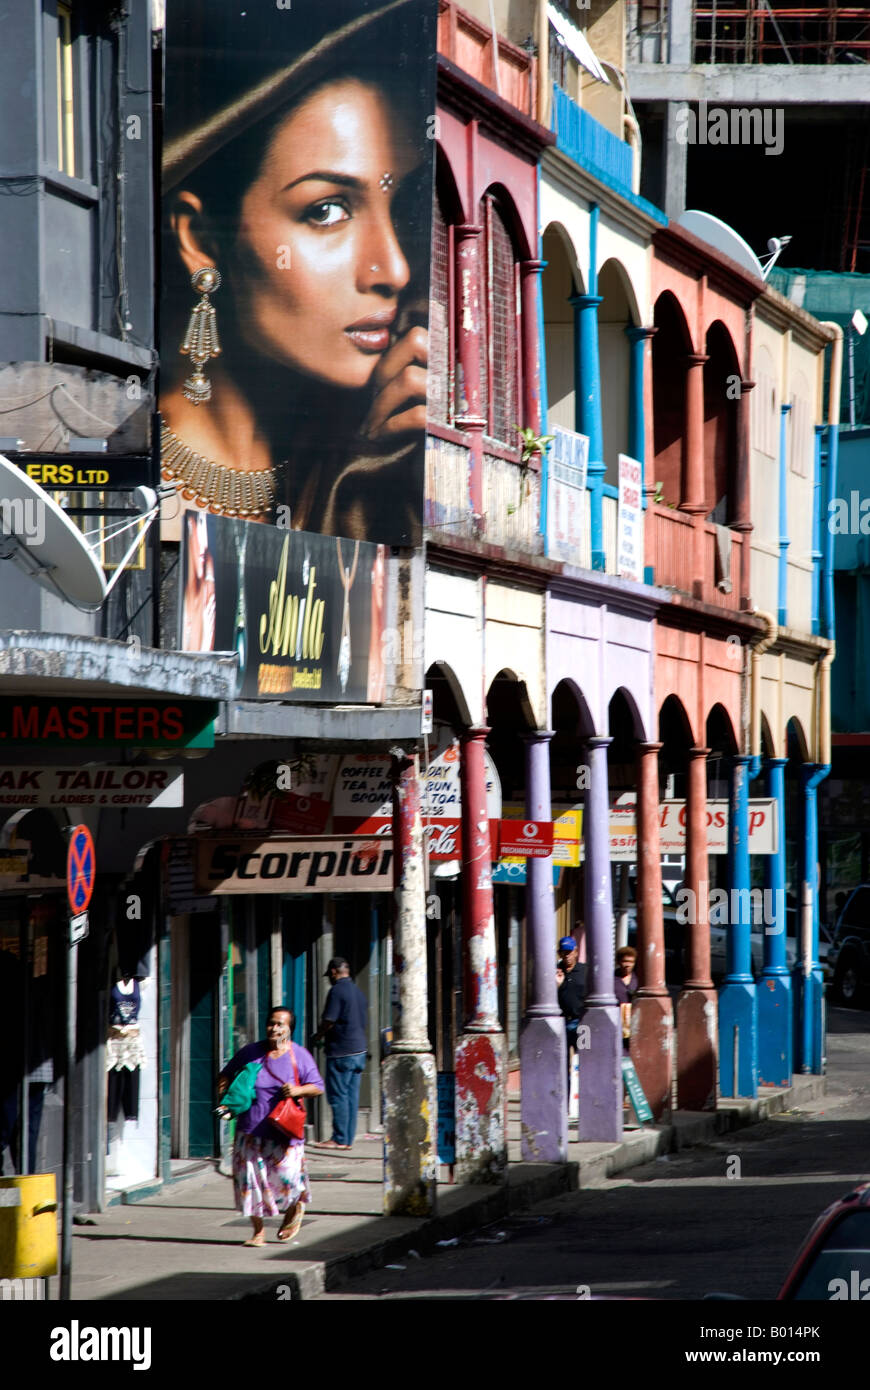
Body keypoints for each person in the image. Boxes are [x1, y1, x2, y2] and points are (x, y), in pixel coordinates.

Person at [160, 0, 432, 540]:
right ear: (200, 238)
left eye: (400, 211)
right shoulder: (117, 483)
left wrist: (367, 472)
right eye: (326, 210)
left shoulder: (357, 461)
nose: (394, 269)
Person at [217, 1005, 324, 1247]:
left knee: (287, 1179)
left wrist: (298, 1090)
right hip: (250, 1130)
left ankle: (295, 1206)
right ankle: (258, 1232)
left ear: (290, 1029)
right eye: (271, 1023)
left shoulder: (299, 1055)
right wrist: (227, 1097)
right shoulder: (251, 1052)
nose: (274, 1028)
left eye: (280, 1024)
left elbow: (317, 1086)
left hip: (284, 1132)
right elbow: (226, 1075)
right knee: (250, 1183)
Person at [312, 957, 368, 1150]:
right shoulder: (358, 992)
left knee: (338, 1096)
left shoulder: (336, 991)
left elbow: (329, 1020)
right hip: (359, 1050)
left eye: (330, 975)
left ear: (335, 972)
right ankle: (347, 1139)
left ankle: (339, 1138)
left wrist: (318, 1035)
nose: (329, 978)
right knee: (351, 1096)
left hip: (341, 1052)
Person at [556, 934, 587, 1079]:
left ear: (576, 952)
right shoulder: (555, 971)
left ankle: (581, 1093)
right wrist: (558, 985)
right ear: (559, 953)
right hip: (561, 1022)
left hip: (582, 1023)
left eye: (569, 951)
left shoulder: (584, 971)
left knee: (585, 1058)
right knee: (561, 1060)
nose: (567, 955)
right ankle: (566, 1093)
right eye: (564, 952)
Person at [614, 946, 639, 1055]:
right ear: (619, 961)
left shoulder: (637, 979)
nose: (627, 965)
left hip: (633, 1022)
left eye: (631, 962)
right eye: (624, 961)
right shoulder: (612, 978)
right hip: (617, 1022)